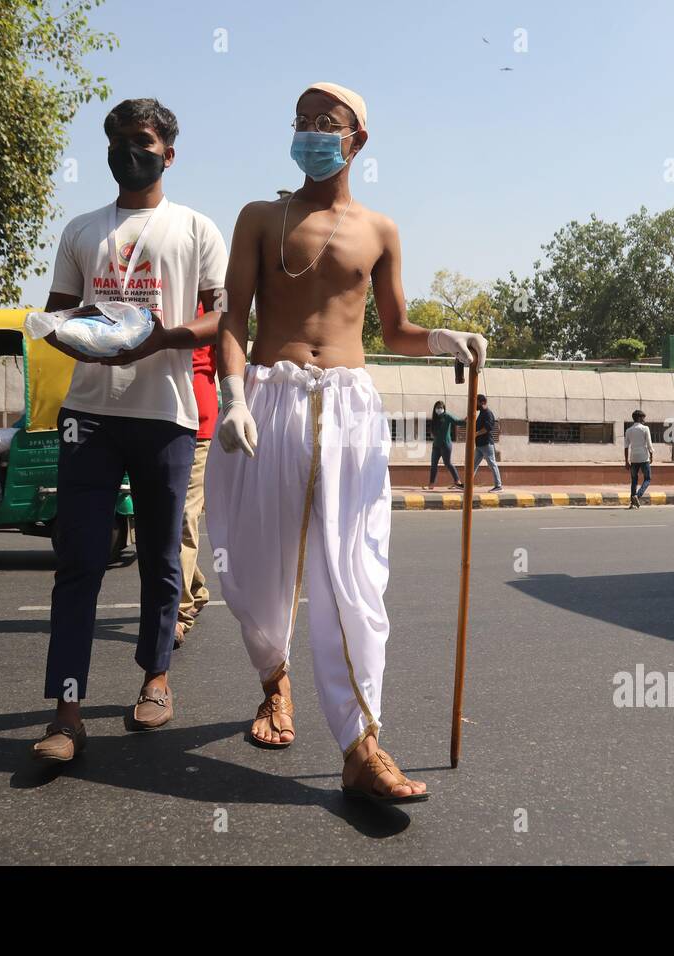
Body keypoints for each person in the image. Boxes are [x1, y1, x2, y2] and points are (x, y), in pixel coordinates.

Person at [205, 82, 487, 803]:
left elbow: (394, 331)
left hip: (352, 409)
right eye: (300, 122)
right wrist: (234, 396)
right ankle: (275, 681)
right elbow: (233, 319)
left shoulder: (380, 230)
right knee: (258, 573)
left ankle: (362, 746)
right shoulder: (261, 217)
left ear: (358, 140)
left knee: (354, 576)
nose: (309, 133)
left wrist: (443, 338)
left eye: (324, 124)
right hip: (269, 399)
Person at [31, 97, 228, 763]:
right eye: (117, 141)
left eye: (141, 141)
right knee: (78, 561)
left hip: (166, 415)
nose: (128, 152)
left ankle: (156, 679)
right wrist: (76, 336)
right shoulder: (82, 229)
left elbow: (224, 321)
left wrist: (159, 338)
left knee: (161, 558)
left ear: (168, 152)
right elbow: (59, 315)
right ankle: (66, 713)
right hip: (89, 415)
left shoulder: (196, 229)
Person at [175, 340, 216, 646]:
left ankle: (178, 612)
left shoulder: (214, 299)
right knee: (165, 519)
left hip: (200, 424)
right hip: (159, 418)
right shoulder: (156, 295)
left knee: (184, 516)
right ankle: (196, 588)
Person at [426, 400, 464, 490]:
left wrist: (466, 420)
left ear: (444, 408)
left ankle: (457, 481)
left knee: (447, 463)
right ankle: (431, 484)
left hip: (445, 444)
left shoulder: (447, 416)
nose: (439, 409)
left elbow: (457, 422)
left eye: (441, 408)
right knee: (433, 465)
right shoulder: (435, 418)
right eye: (437, 408)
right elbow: (433, 431)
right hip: (436, 445)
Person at [472, 393, 502, 492]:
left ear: (482, 402)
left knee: (492, 464)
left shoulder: (488, 413)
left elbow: (488, 428)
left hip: (486, 444)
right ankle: (467, 484)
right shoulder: (482, 413)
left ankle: (498, 485)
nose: (475, 405)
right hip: (480, 445)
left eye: (477, 402)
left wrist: (476, 433)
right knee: (473, 464)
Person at [625, 409, 654, 509]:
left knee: (634, 480)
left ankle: (632, 503)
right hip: (644, 457)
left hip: (633, 458)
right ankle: (637, 496)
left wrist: (626, 461)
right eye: (643, 418)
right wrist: (651, 455)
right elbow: (649, 444)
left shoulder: (628, 430)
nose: (644, 420)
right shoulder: (645, 429)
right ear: (639, 418)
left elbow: (626, 446)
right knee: (648, 478)